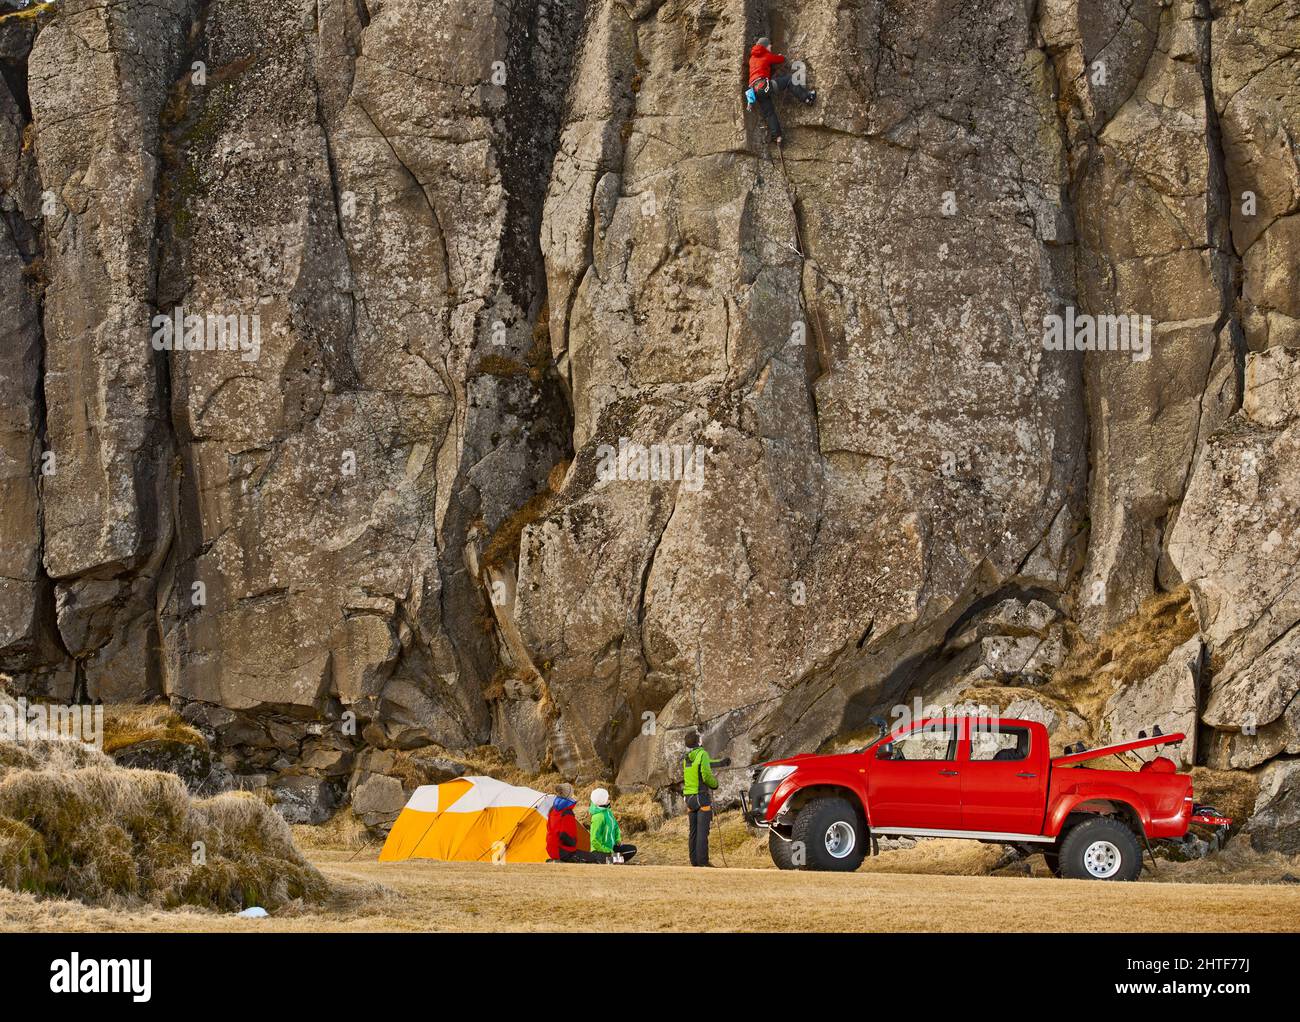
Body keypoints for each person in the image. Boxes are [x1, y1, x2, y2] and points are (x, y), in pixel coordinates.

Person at [746, 35, 816, 147]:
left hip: (755, 91)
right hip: (765, 85)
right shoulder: (766, 55)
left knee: (769, 113)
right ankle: (807, 98)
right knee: (789, 80)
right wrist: (779, 56)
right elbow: (780, 59)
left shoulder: (751, 59)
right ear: (765, 46)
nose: (770, 47)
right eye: (769, 46)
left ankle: (777, 137)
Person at [682, 730, 730, 867]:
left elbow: (705, 763)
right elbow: (706, 775)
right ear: (698, 742)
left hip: (689, 799)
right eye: (700, 738)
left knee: (693, 832)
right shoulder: (702, 754)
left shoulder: (687, 758)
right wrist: (715, 785)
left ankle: (695, 862)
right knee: (703, 832)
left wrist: (721, 763)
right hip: (700, 796)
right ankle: (703, 862)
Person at [588, 788, 637, 863]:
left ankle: (613, 860)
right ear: (602, 801)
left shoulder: (608, 812)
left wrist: (618, 839)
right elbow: (594, 840)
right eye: (607, 798)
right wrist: (607, 850)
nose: (609, 799)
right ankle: (610, 860)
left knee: (632, 849)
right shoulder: (598, 817)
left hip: (611, 847)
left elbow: (616, 826)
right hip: (599, 851)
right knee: (608, 858)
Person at [546, 783, 583, 862]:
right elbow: (565, 836)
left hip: (550, 849)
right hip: (562, 851)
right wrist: (574, 842)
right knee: (589, 857)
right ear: (569, 795)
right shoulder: (567, 813)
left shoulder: (552, 809)